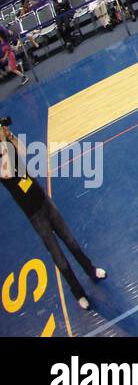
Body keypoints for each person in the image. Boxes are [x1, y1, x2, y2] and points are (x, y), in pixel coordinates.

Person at [1, 122, 107, 309]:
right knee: (58, 255)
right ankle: (78, 293)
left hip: (44, 200)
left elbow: (24, 153)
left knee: (70, 241)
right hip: (34, 214)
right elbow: (9, 171)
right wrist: (4, 141)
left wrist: (10, 136)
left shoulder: (9, 145)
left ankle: (91, 270)